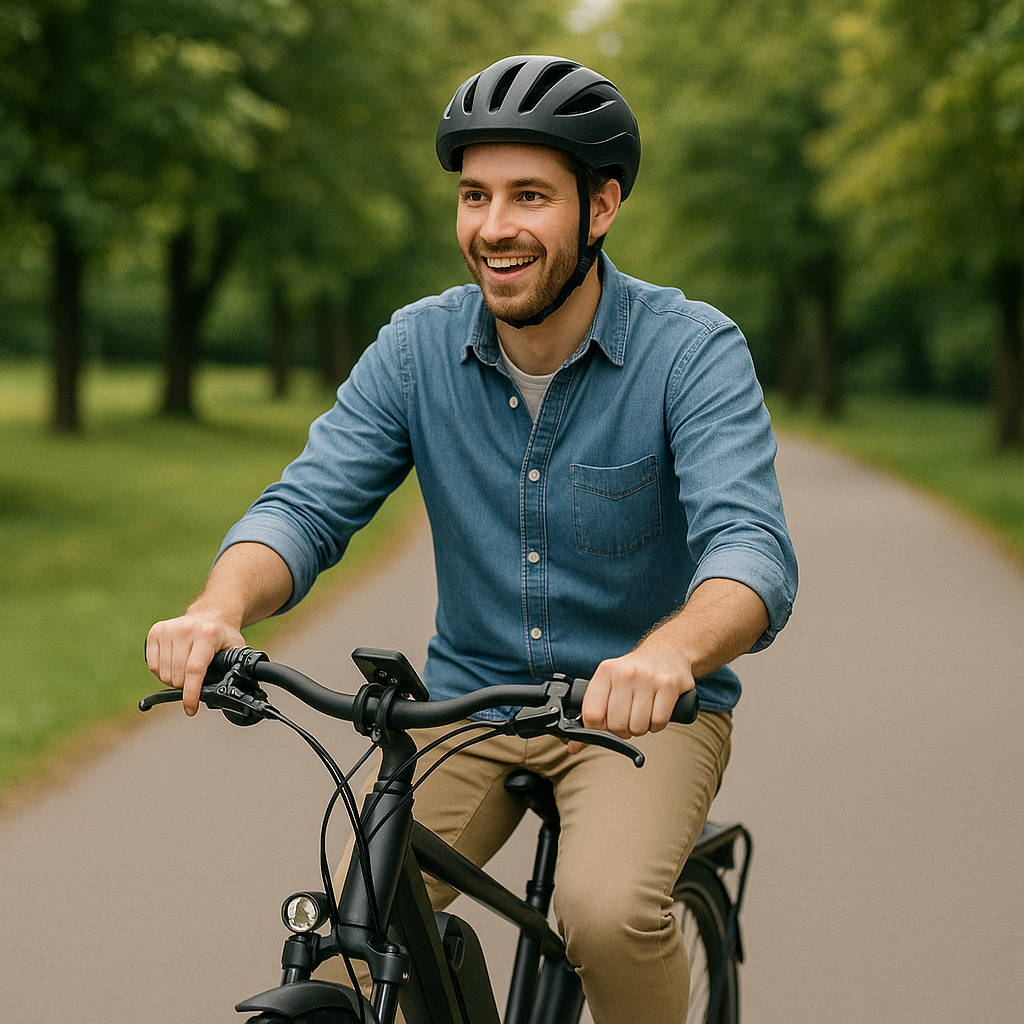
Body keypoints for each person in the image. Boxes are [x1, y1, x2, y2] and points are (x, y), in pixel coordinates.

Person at [147, 55, 798, 1023]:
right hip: (467, 703)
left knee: (606, 911)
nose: (493, 227)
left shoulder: (688, 349)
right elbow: (307, 504)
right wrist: (218, 607)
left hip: (640, 717)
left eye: (529, 196)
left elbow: (749, 550)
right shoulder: (415, 346)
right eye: (475, 195)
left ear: (601, 206)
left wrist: (666, 656)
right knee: (348, 934)